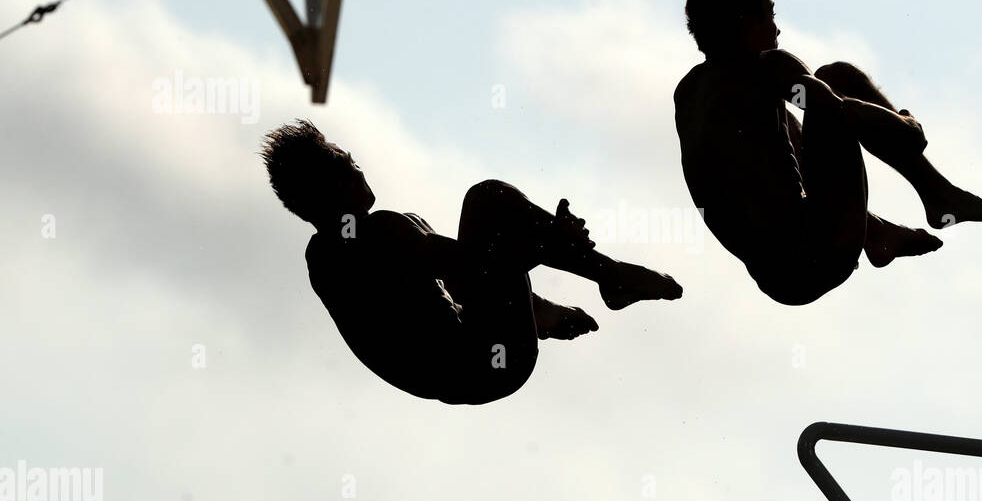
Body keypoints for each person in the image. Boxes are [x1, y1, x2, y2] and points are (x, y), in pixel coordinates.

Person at [261, 120, 682, 404]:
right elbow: (479, 266)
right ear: (333, 184)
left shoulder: (324, 259)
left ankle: (559, 305)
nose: (358, 167)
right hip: (486, 360)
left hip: (473, 369)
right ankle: (611, 277)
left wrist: (537, 306)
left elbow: (459, 290)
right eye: (348, 163)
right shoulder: (376, 235)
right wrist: (554, 237)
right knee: (487, 199)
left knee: (461, 234)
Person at [673, 0, 982, 305]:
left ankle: (878, 231)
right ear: (745, 24)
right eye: (770, 15)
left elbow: (751, 182)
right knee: (836, 78)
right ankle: (935, 193)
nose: (778, 29)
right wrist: (907, 128)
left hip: (775, 278)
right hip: (820, 254)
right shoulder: (767, 67)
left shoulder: (689, 94)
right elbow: (836, 110)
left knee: (777, 131)